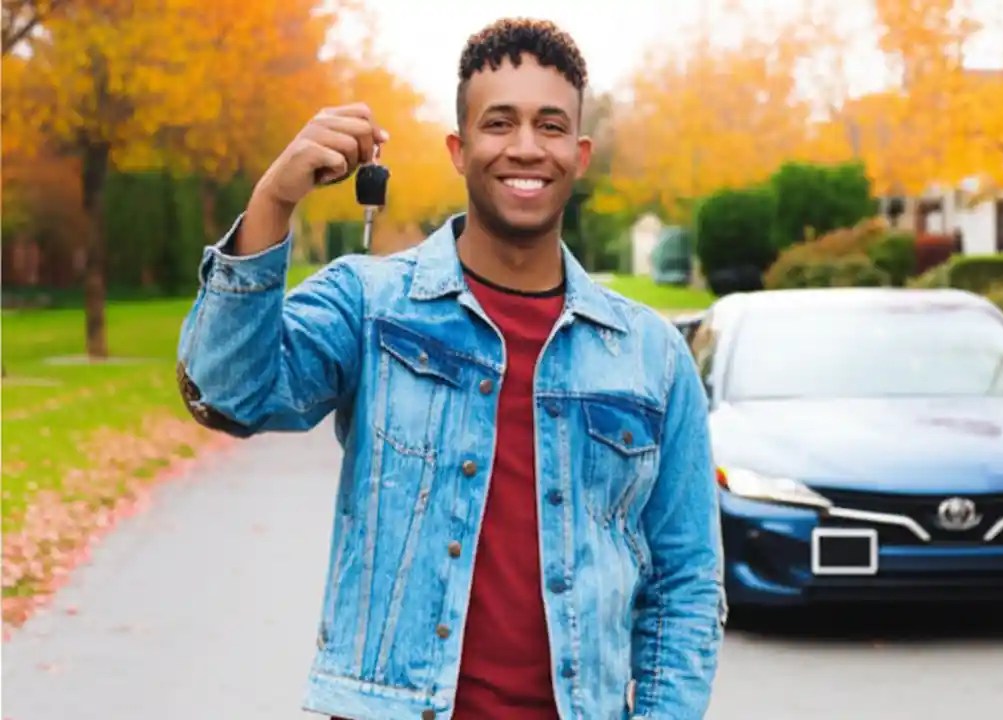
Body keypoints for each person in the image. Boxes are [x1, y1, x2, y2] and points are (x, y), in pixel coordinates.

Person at [175, 16, 725, 720]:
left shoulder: (652, 356)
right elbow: (228, 393)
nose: (526, 148)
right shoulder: (371, 304)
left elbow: (686, 583)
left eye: (550, 126)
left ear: (580, 154)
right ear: (459, 150)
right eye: (500, 124)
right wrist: (274, 200)